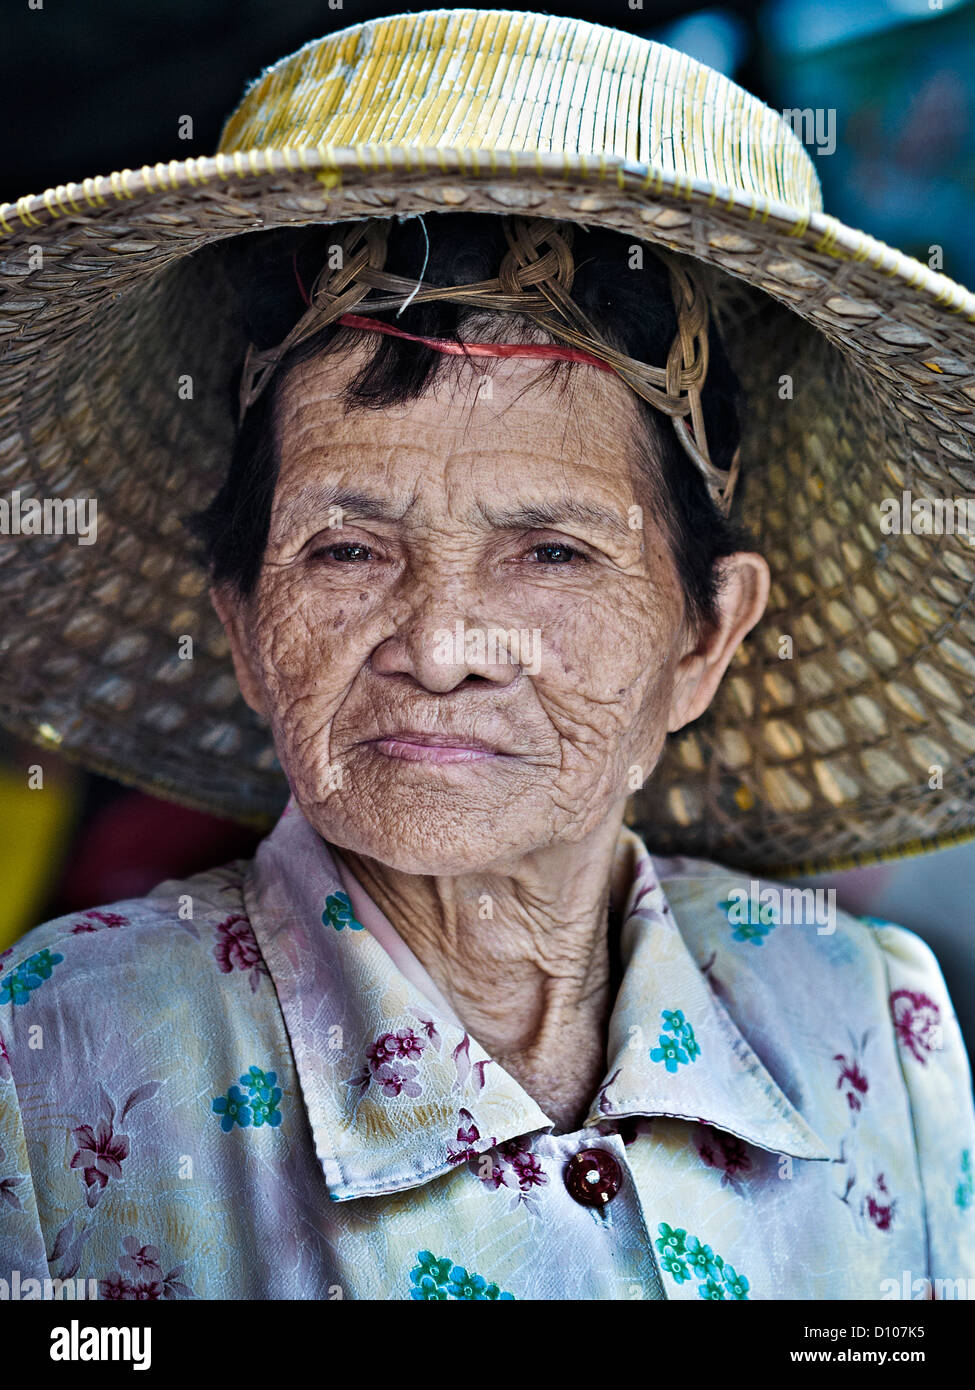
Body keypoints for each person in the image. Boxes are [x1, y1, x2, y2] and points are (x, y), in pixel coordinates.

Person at [1, 10, 973, 1301]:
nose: (444, 644)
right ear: (240, 620)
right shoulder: (47, 1054)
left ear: (704, 636)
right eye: (347, 549)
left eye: (553, 553)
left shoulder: (873, 1016)